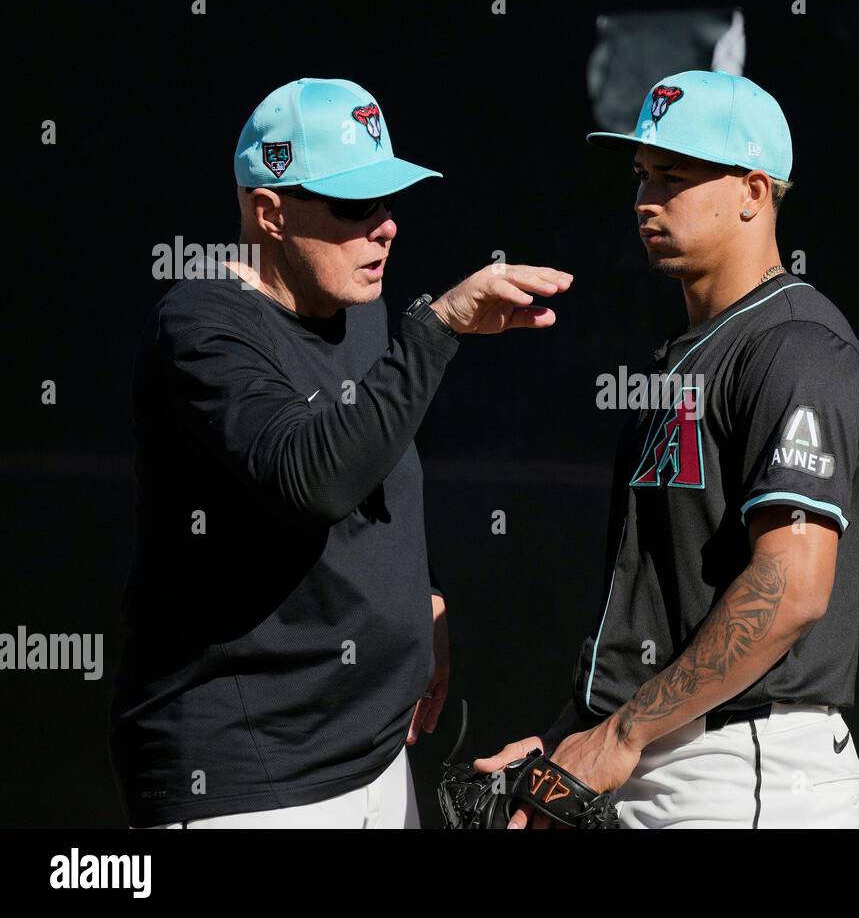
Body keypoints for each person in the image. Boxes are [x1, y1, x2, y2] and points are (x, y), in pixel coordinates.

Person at [109, 77, 571, 828]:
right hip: (249, 781)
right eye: (354, 205)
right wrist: (441, 325)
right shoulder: (199, 328)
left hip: (374, 759)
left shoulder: (358, 314)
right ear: (269, 211)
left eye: (388, 201)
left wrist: (418, 599)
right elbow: (314, 478)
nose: (384, 227)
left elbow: (372, 470)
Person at [475, 70, 859, 828]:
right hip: (669, 751)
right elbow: (659, 605)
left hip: (748, 765)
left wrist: (621, 735)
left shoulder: (796, 347)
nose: (645, 199)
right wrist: (571, 739)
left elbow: (792, 588)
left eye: (675, 176)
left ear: (755, 192)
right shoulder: (686, 355)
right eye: (641, 176)